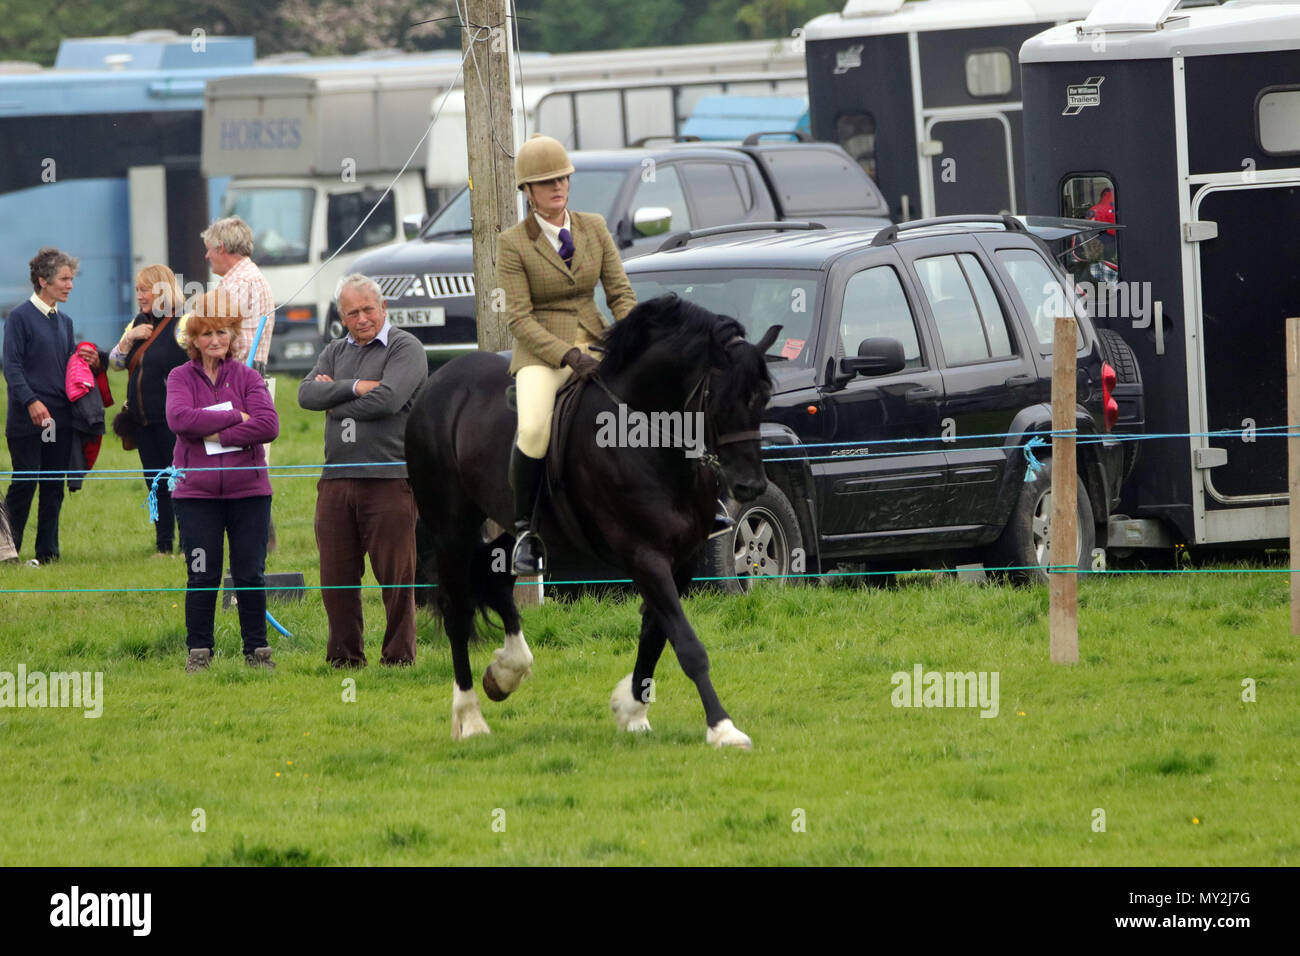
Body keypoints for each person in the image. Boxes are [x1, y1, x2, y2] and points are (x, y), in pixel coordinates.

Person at [298, 274, 428, 667]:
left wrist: (334, 398)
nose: (362, 318)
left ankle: (398, 658)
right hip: (336, 480)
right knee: (336, 579)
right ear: (342, 316)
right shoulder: (334, 351)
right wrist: (356, 388)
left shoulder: (406, 347)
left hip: (390, 478)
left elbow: (388, 400)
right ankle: (344, 658)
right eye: (353, 312)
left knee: (395, 578)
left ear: (383, 307)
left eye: (369, 309)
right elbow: (306, 394)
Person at [166, 291, 279, 673]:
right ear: (194, 340)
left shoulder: (248, 376)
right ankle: (199, 651)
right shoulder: (179, 377)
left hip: (249, 493)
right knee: (201, 573)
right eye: (207, 334)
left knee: (250, 572)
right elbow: (180, 420)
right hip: (196, 495)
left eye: (223, 333)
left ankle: (258, 651)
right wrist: (235, 415)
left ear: (233, 337)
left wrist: (216, 433)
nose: (215, 341)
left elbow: (269, 425)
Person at [3, 247, 104, 565]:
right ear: (43, 280)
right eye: (64, 278)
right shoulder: (19, 318)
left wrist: (91, 359)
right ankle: (8, 551)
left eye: (71, 279)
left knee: (53, 486)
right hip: (26, 419)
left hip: (60, 418)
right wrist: (31, 401)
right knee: (25, 482)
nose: (70, 284)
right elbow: (12, 365)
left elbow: (66, 365)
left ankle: (48, 553)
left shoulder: (66, 321)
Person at [109, 265, 190, 554]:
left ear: (162, 290)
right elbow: (116, 363)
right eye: (138, 290)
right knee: (152, 480)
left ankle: (186, 542)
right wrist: (129, 339)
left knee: (177, 480)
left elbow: (200, 356)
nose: (140, 295)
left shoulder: (182, 323)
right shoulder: (138, 322)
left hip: (173, 420)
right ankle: (163, 543)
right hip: (141, 419)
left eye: (145, 289)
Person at [199, 217, 276, 372]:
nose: (207, 256)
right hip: (248, 374)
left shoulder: (239, 283)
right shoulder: (248, 277)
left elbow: (226, 340)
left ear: (221, 247)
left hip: (234, 378)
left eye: (209, 249)